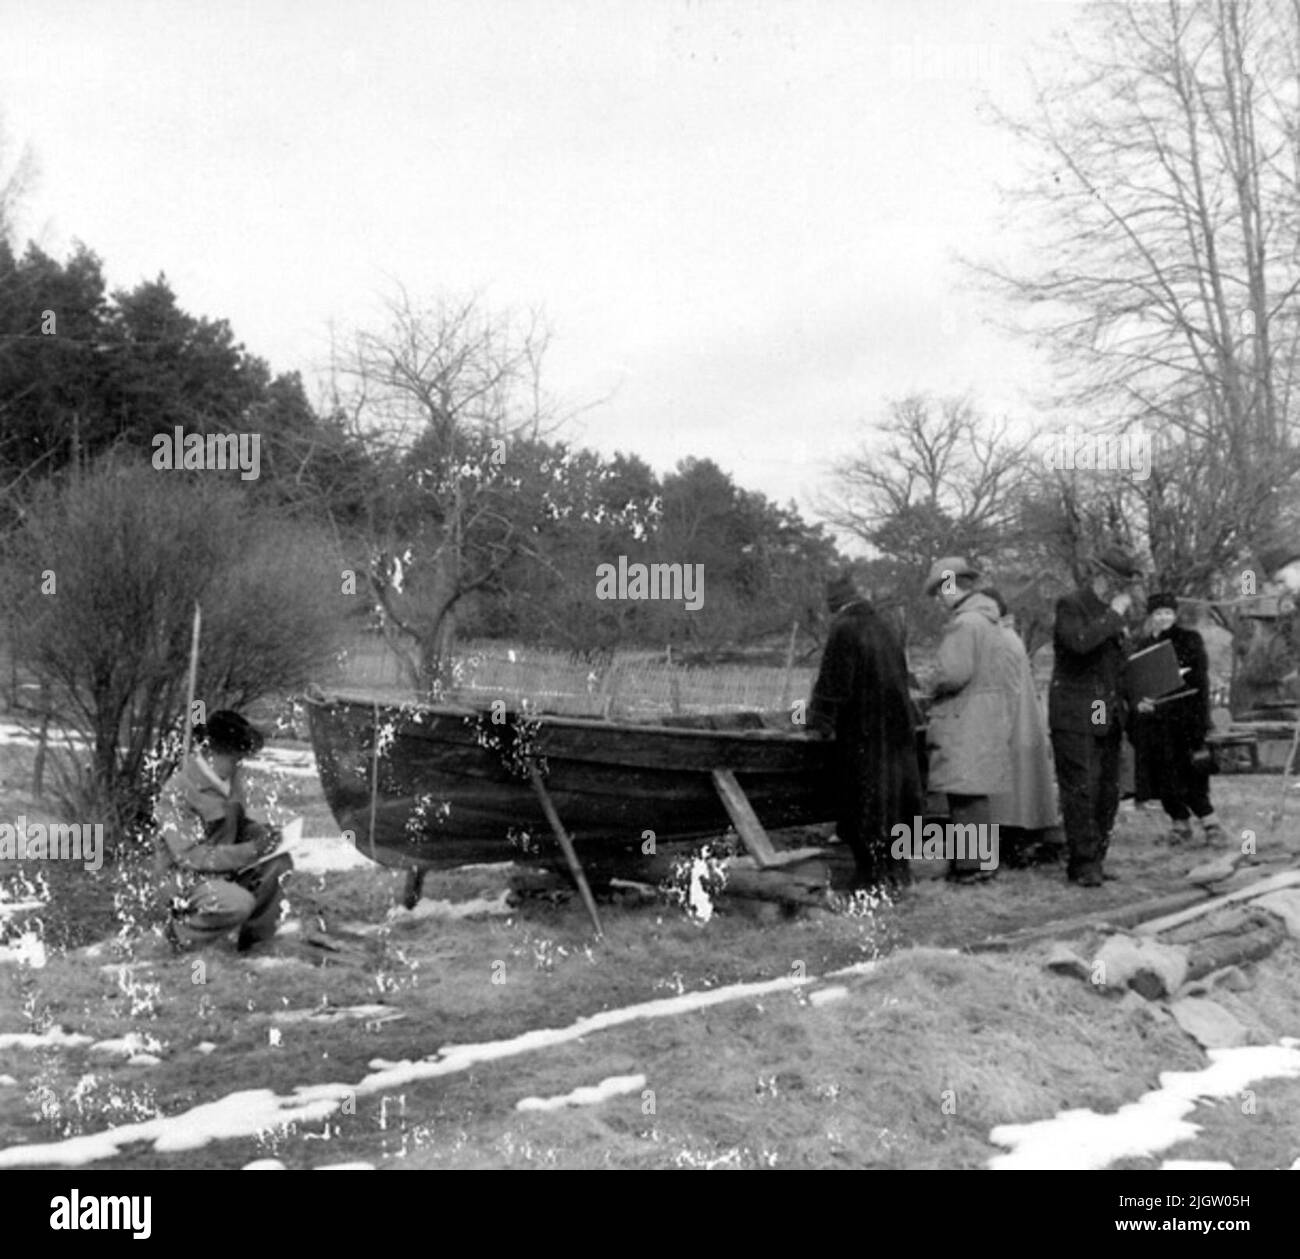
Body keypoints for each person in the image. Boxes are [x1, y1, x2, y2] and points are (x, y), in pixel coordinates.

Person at [808, 572, 925, 891]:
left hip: (863, 732)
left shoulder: (845, 628)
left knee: (865, 804)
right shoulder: (885, 626)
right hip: (897, 732)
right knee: (895, 804)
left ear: (834, 604)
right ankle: (898, 874)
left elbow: (833, 685)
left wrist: (818, 721)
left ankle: (870, 878)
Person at [153, 710, 292, 953]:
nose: (239, 763)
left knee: (279, 863)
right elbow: (190, 856)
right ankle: (181, 936)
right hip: (186, 879)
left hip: (221, 871)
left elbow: (237, 823)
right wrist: (251, 850)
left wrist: (261, 834)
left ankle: (256, 942)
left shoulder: (228, 778)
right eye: (233, 757)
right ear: (209, 752)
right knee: (239, 903)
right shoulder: (178, 791)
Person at [1048, 546, 1143, 887]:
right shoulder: (1072, 605)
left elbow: (1115, 666)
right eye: (1120, 583)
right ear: (1102, 577)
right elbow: (1079, 643)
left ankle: (1096, 858)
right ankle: (1083, 862)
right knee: (1082, 787)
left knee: (1106, 788)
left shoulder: (1111, 616)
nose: (1124, 591)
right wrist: (1114, 617)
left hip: (1104, 709)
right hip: (1078, 710)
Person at [922, 558, 1016, 882]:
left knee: (964, 797)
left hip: (963, 717)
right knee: (974, 796)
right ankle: (979, 864)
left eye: (940, 591)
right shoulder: (989, 621)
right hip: (985, 715)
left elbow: (953, 673)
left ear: (951, 585)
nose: (938, 599)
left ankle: (972, 867)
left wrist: (926, 682)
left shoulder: (964, 624)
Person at [1126, 593, 1224, 844]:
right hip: (1156, 724)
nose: (1163, 618)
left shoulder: (1190, 640)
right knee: (1164, 775)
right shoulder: (1143, 644)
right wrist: (1141, 703)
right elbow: (1136, 682)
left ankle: (1211, 824)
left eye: (1168, 613)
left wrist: (1198, 719)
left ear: (1175, 614)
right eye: (1158, 613)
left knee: (1191, 773)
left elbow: (1198, 680)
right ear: (1151, 616)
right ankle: (1179, 824)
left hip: (1185, 719)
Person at [981, 586, 1061, 864]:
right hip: (1020, 725)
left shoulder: (998, 640)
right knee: (1017, 793)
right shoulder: (1006, 637)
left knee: (1009, 798)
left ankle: (1011, 849)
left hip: (1009, 727)